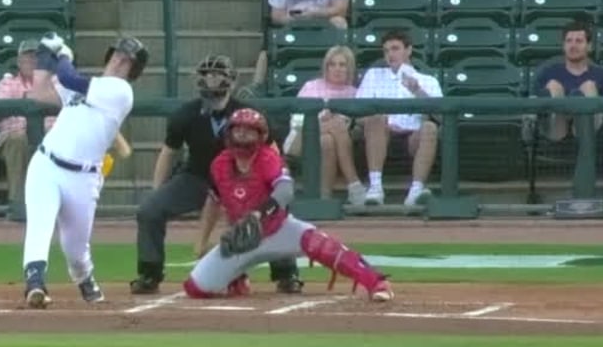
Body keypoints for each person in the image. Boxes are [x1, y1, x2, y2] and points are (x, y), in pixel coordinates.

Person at [132, 56, 303, 296]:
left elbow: (272, 152)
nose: (212, 81)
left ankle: (287, 273)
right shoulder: (186, 115)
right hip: (196, 177)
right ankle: (149, 273)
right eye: (207, 75)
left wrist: (274, 183)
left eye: (217, 75)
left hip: (244, 177)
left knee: (277, 210)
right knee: (149, 210)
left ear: (231, 81)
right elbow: (168, 153)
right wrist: (157, 190)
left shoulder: (249, 113)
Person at [182, 108, 394, 302]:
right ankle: (236, 277)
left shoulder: (267, 158)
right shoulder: (219, 164)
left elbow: (285, 190)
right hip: (243, 238)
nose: (243, 135)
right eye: (238, 130)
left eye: (249, 131)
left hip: (279, 229)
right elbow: (214, 200)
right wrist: (202, 240)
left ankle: (376, 282)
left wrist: (259, 214)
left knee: (321, 245)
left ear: (261, 135)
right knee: (196, 287)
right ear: (229, 134)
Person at [21, 34, 147, 309]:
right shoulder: (89, 86)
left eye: (126, 60)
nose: (119, 60)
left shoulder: (120, 92)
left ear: (132, 70)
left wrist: (63, 54)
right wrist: (45, 53)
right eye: (117, 55)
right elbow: (40, 91)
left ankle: (84, 278)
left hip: (83, 177)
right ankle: (35, 282)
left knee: (75, 248)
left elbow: (68, 78)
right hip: (46, 164)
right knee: (40, 224)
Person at [353, 29, 443, 210]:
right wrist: (380, 119)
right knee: (376, 119)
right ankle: (375, 188)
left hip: (412, 137)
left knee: (429, 128)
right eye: (386, 51)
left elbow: (441, 115)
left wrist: (418, 92)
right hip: (380, 133)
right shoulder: (373, 75)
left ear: (408, 50)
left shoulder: (428, 80)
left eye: (395, 49)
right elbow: (358, 114)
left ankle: (416, 191)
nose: (390, 55)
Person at [283, 45, 363, 203]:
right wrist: (320, 119)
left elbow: (353, 125)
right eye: (332, 64)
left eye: (342, 65)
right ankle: (354, 185)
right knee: (336, 125)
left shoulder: (354, 93)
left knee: (327, 140)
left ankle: (324, 197)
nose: (337, 69)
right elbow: (297, 120)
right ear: (326, 67)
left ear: (350, 68)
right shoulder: (311, 86)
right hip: (301, 138)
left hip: (335, 140)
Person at [0, 41, 58, 207]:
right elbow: (0, 110)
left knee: (58, 141)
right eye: (27, 58)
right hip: (15, 135)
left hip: (50, 134)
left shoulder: (55, 83)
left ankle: (55, 203)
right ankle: (18, 203)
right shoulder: (7, 84)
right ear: (19, 61)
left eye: (37, 57)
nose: (32, 61)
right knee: (19, 139)